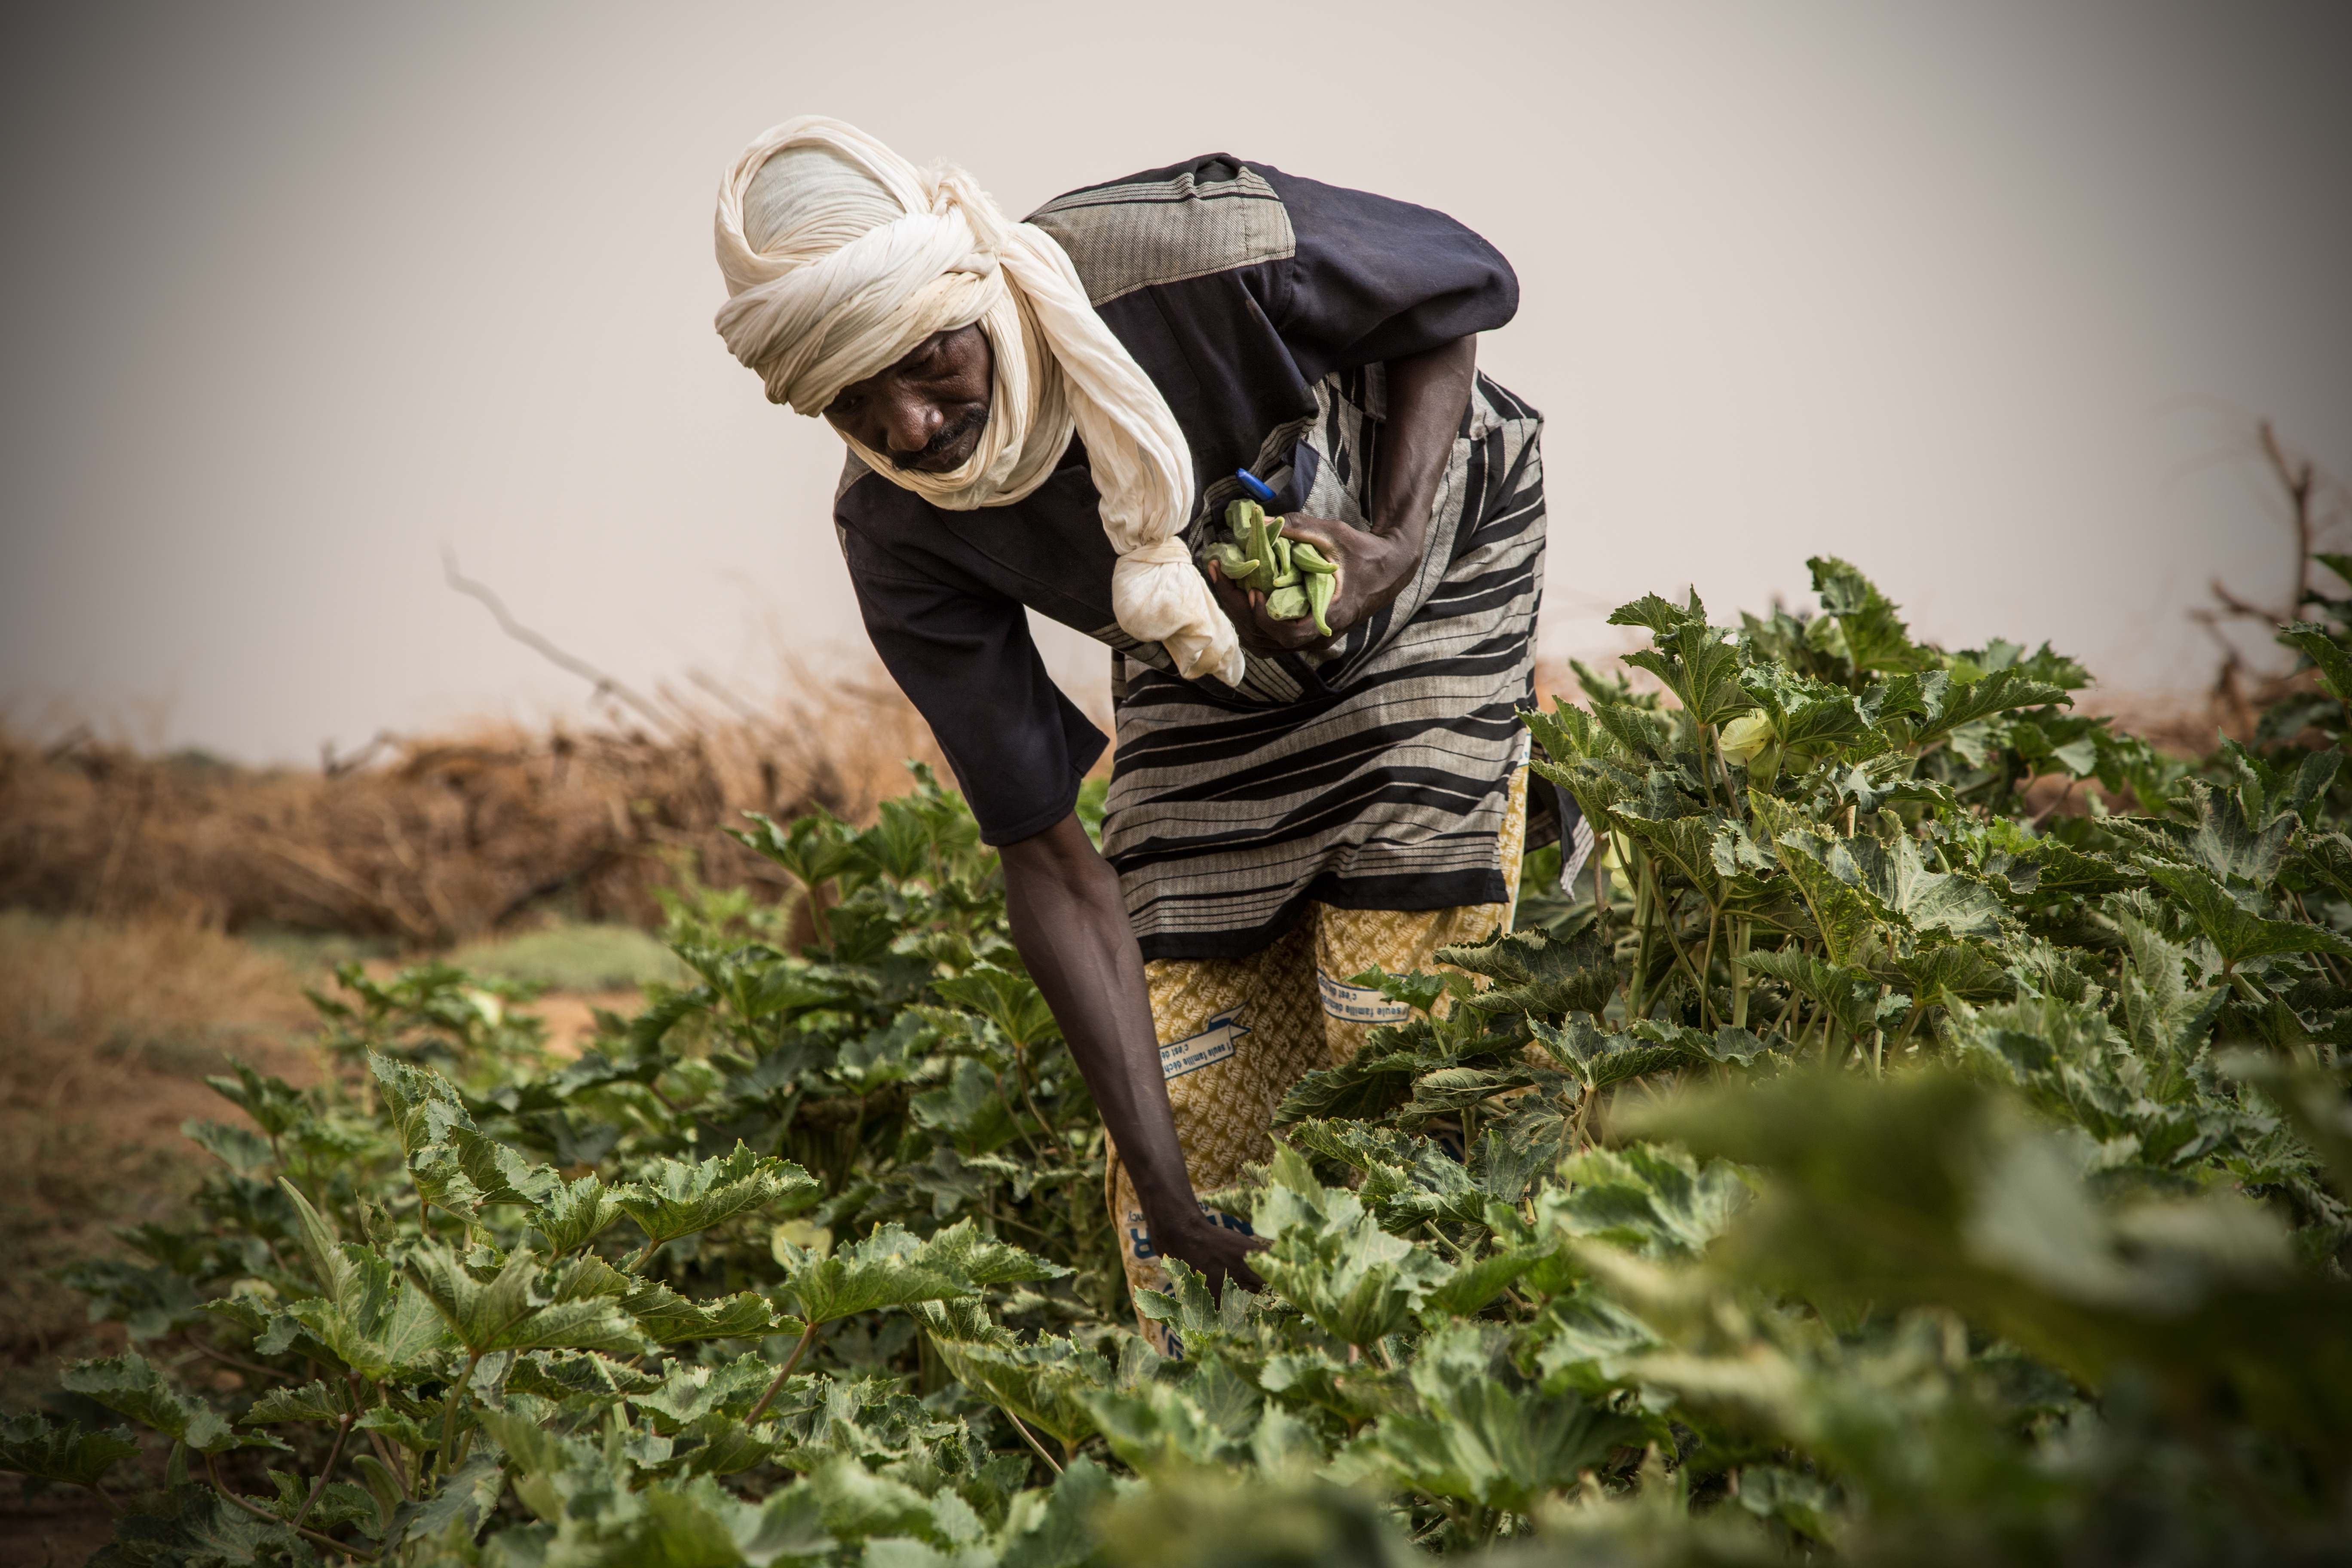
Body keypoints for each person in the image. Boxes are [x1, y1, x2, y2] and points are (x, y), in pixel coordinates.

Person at [712, 118, 1549, 1347]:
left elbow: (1459, 287)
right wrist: (1170, 1196)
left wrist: (1389, 543)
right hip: (1200, 637)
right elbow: (1049, 859)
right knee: (1202, 1084)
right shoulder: (900, 529)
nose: (907, 428)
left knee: (1391, 1026)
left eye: (924, 363)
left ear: (975, 294)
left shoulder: (1181, 257)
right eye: (852, 400)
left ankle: (1462, 1386)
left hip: (1416, 557)